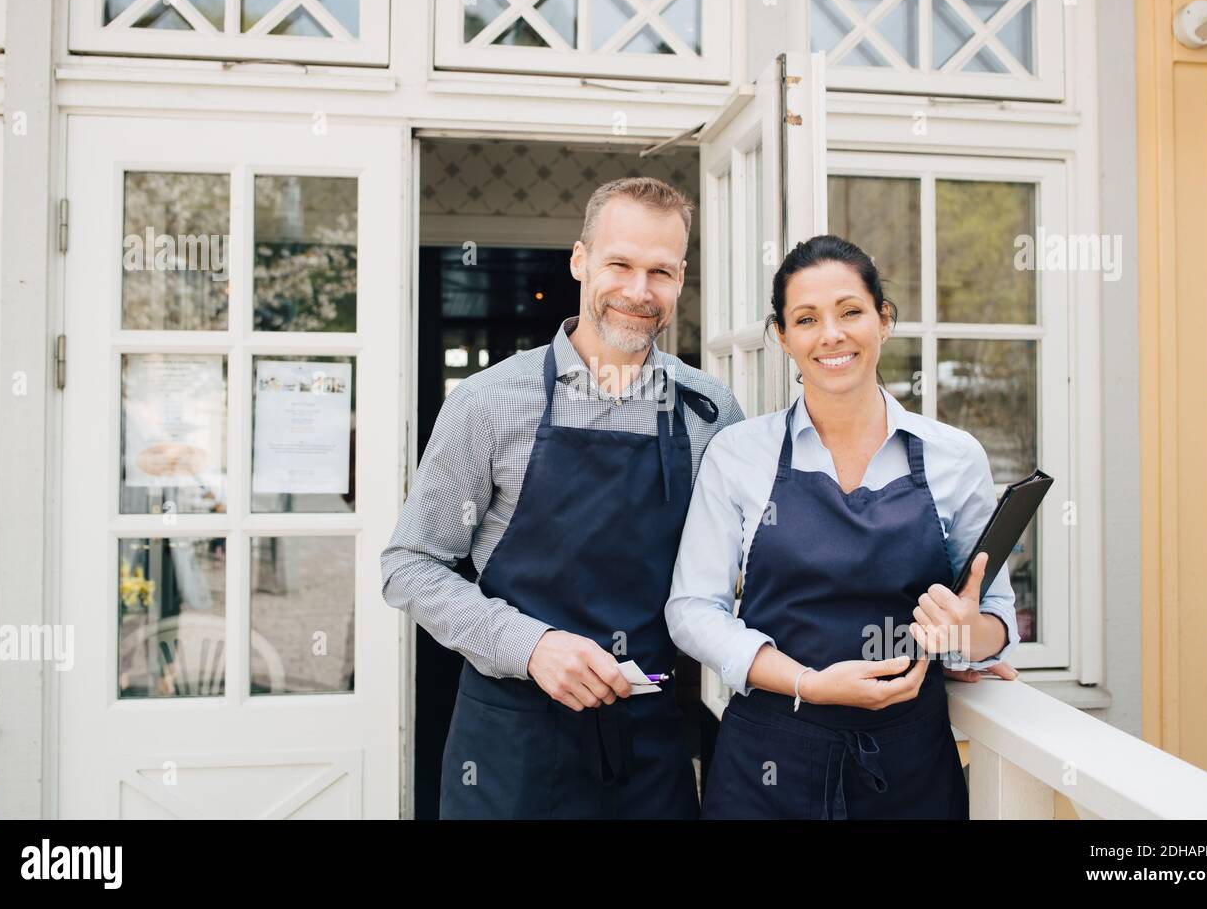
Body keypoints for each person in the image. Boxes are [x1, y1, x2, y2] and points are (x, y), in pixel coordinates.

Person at [381, 177, 743, 819]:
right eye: (620, 264)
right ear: (580, 261)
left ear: (681, 277)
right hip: (509, 750)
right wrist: (531, 646)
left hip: (649, 746)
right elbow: (409, 566)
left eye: (660, 270)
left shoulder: (709, 412)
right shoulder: (487, 402)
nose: (639, 290)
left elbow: (748, 567)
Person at [667, 234, 1021, 820]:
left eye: (851, 312)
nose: (831, 335)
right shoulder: (739, 454)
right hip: (767, 764)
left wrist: (966, 636)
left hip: (911, 770)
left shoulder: (954, 457)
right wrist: (810, 682)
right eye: (806, 319)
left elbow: (995, 616)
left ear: (884, 320)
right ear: (783, 337)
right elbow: (691, 609)